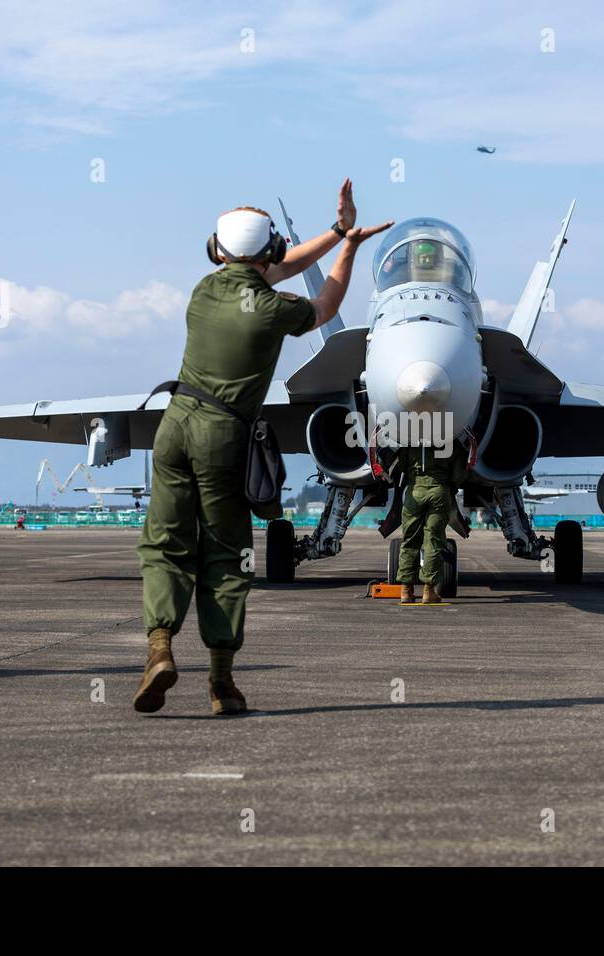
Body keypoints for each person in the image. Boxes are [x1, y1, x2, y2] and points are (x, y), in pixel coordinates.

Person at [134, 181, 392, 715]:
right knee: (227, 555)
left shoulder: (203, 291)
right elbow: (326, 303)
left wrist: (338, 230)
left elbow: (272, 267)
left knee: (165, 545)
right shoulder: (275, 309)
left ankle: (159, 647)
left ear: (217, 251)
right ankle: (222, 684)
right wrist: (347, 245)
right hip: (223, 435)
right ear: (270, 252)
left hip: (174, 425)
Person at [394, 438, 470, 605]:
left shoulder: (410, 442)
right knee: (433, 541)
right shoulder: (452, 442)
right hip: (439, 492)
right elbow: (459, 476)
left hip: (414, 493)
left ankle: (406, 590)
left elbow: (400, 468)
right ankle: (429, 591)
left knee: (409, 541)